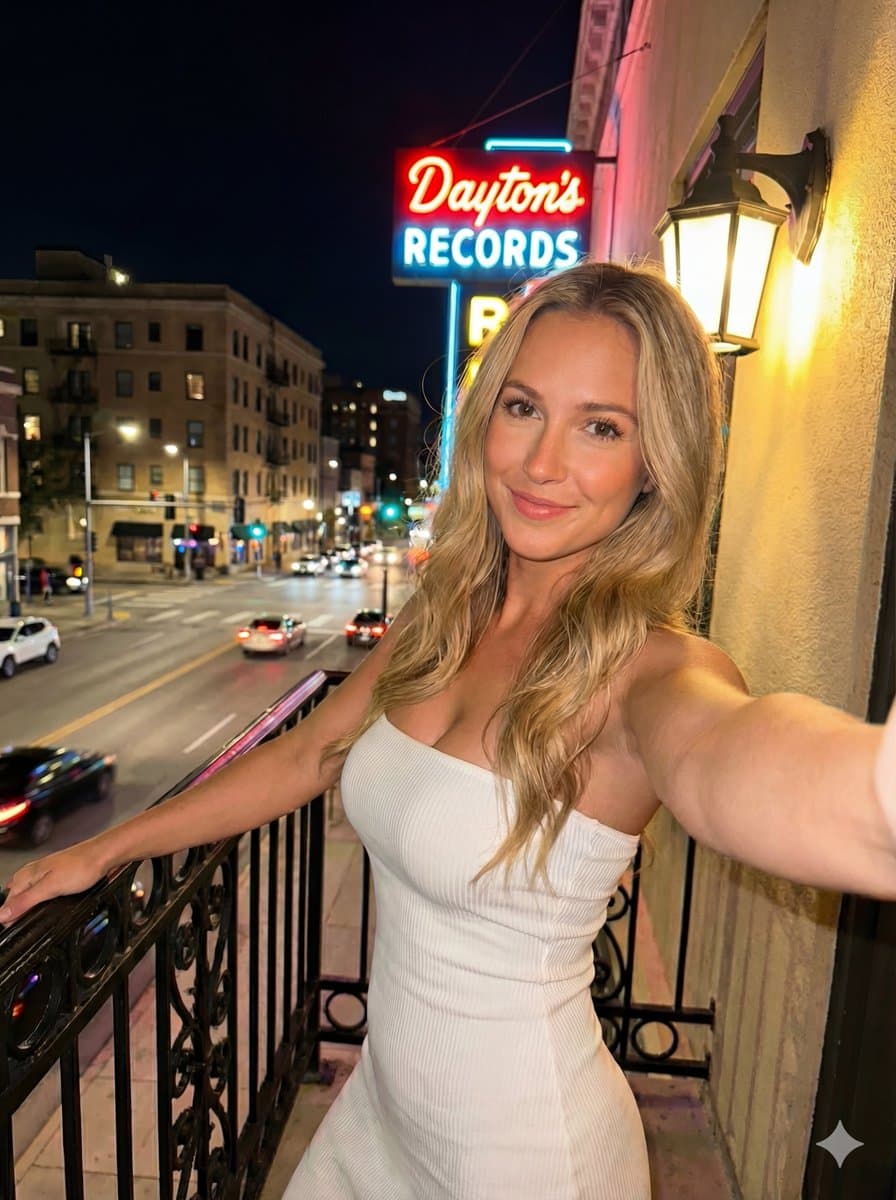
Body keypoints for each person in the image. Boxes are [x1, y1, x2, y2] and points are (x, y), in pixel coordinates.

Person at [2, 260, 895, 1200]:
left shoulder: (651, 673)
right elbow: (308, 753)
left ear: (653, 464)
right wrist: (109, 849)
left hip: (524, 1158)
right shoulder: (449, 610)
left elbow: (742, 760)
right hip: (380, 1115)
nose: (542, 463)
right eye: (522, 408)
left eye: (601, 427)